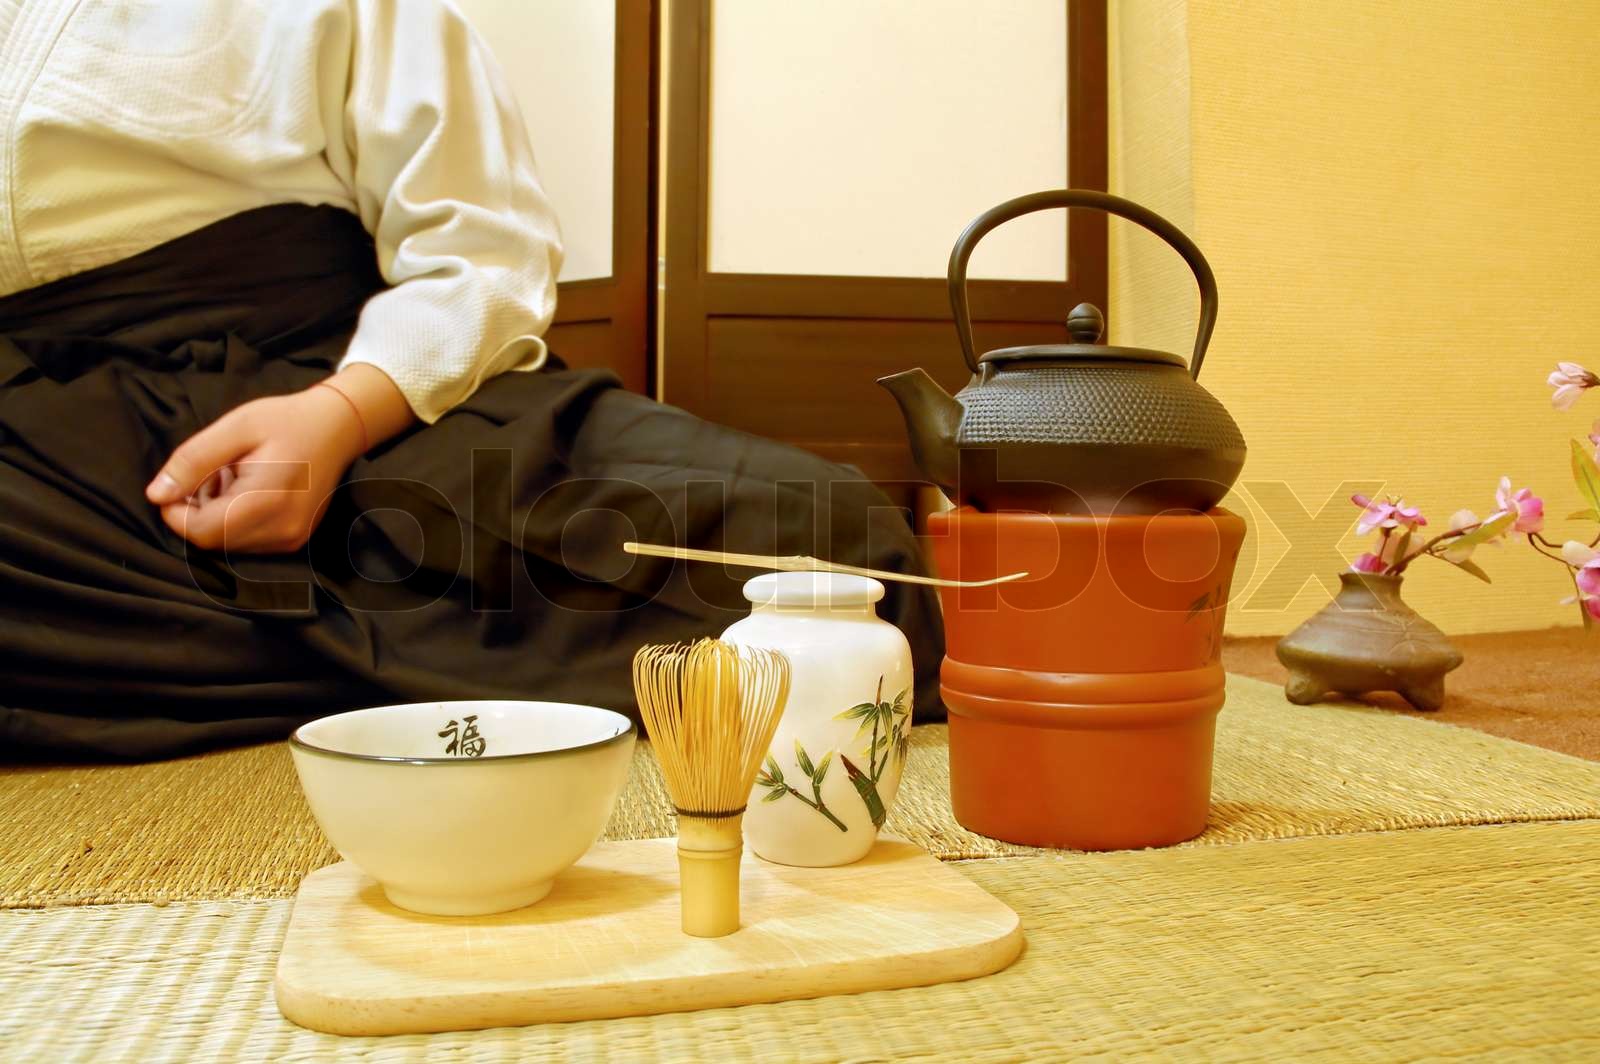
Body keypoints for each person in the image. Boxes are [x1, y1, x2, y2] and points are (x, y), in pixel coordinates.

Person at [0, 0, 942, 759]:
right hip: (50, 445)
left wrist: (341, 413)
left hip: (353, 384)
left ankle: (171, 666)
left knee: (835, 551)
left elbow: (480, 252)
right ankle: (386, 659)